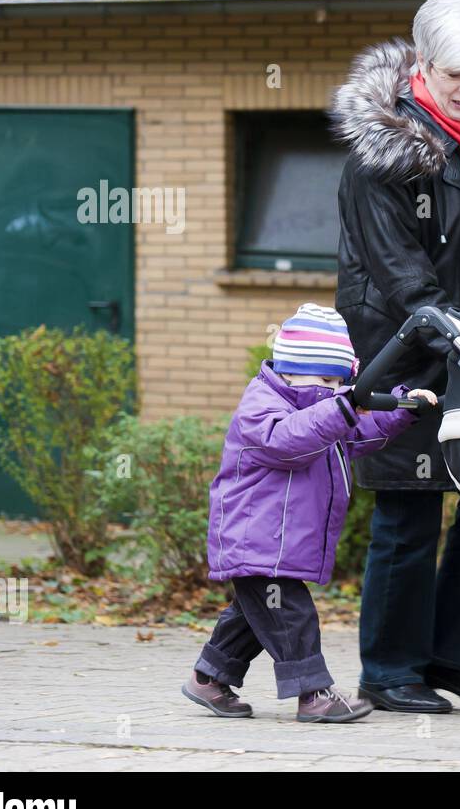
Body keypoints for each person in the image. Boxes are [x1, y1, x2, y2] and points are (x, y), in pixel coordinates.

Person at [330, 0, 460, 713]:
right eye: (459, 77)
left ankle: (452, 657)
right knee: (410, 510)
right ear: (423, 64)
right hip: (404, 355)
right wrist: (453, 333)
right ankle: (388, 670)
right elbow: (401, 277)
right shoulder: (380, 157)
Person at [182, 303, 438, 722]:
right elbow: (287, 441)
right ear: (287, 370)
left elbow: (356, 432)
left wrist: (400, 411)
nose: (332, 388)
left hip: (277, 542)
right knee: (290, 614)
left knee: (254, 616)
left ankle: (209, 678)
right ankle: (313, 694)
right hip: (255, 537)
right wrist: (342, 408)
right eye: (322, 378)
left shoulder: (325, 413)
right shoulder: (261, 407)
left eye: (339, 380)